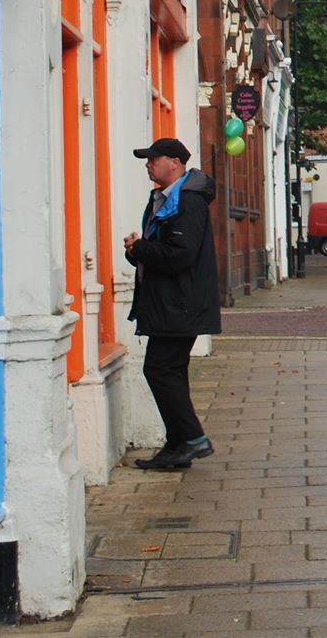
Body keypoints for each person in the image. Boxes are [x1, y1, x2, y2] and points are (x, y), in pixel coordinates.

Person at [123, 137, 220, 470]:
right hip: (170, 301)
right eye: (146, 159)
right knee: (171, 371)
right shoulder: (164, 198)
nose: (148, 164)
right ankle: (178, 445)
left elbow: (181, 255)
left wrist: (142, 249)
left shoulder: (187, 201)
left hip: (181, 303)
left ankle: (192, 439)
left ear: (175, 163)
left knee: (160, 369)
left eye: (154, 158)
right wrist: (136, 251)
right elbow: (162, 249)